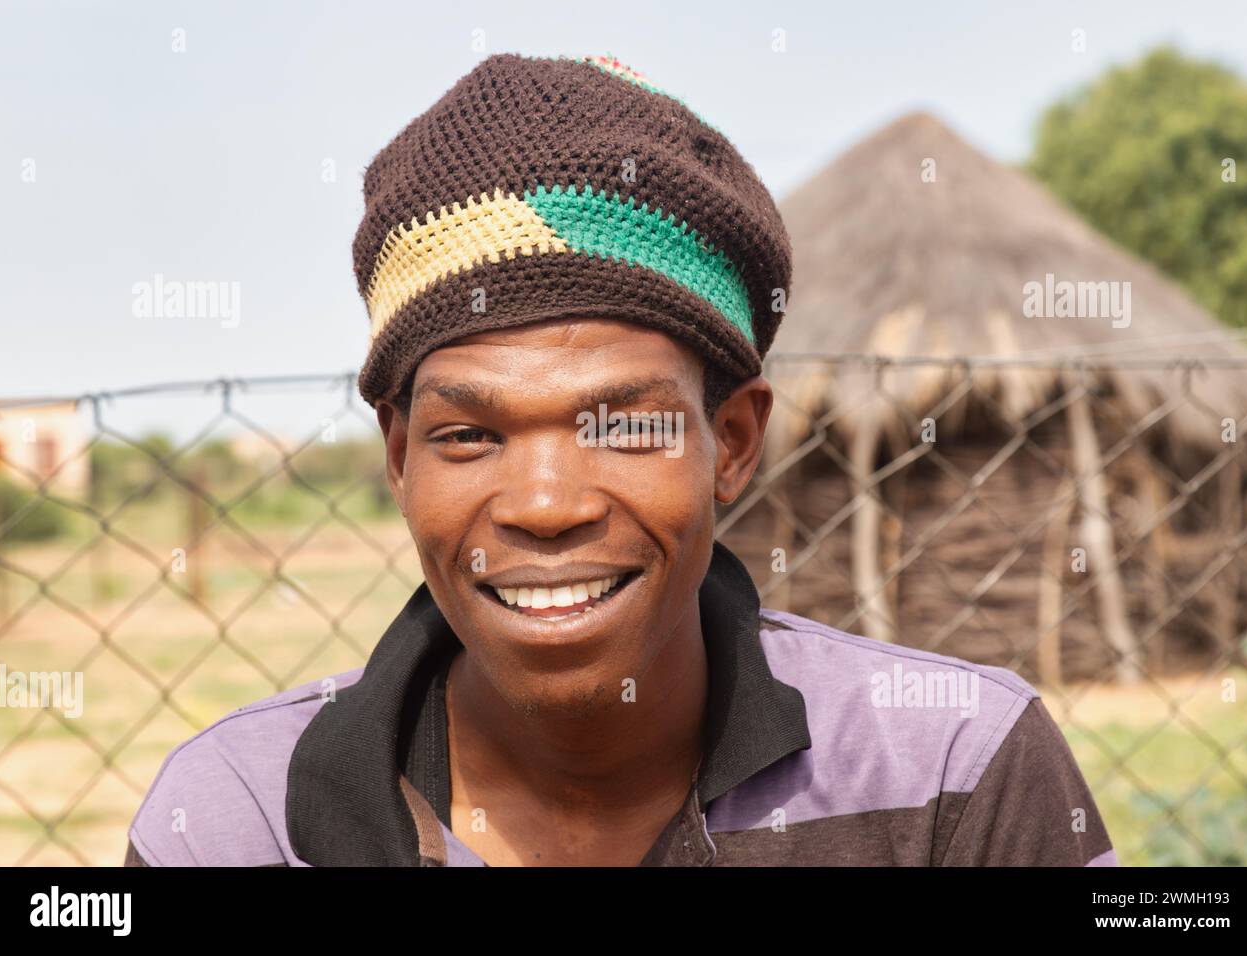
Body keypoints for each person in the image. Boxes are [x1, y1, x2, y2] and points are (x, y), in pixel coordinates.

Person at [124, 52, 1117, 867]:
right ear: (398, 457)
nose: (545, 503)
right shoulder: (233, 823)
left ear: (730, 443)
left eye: (623, 425)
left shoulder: (952, 770)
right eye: (468, 434)